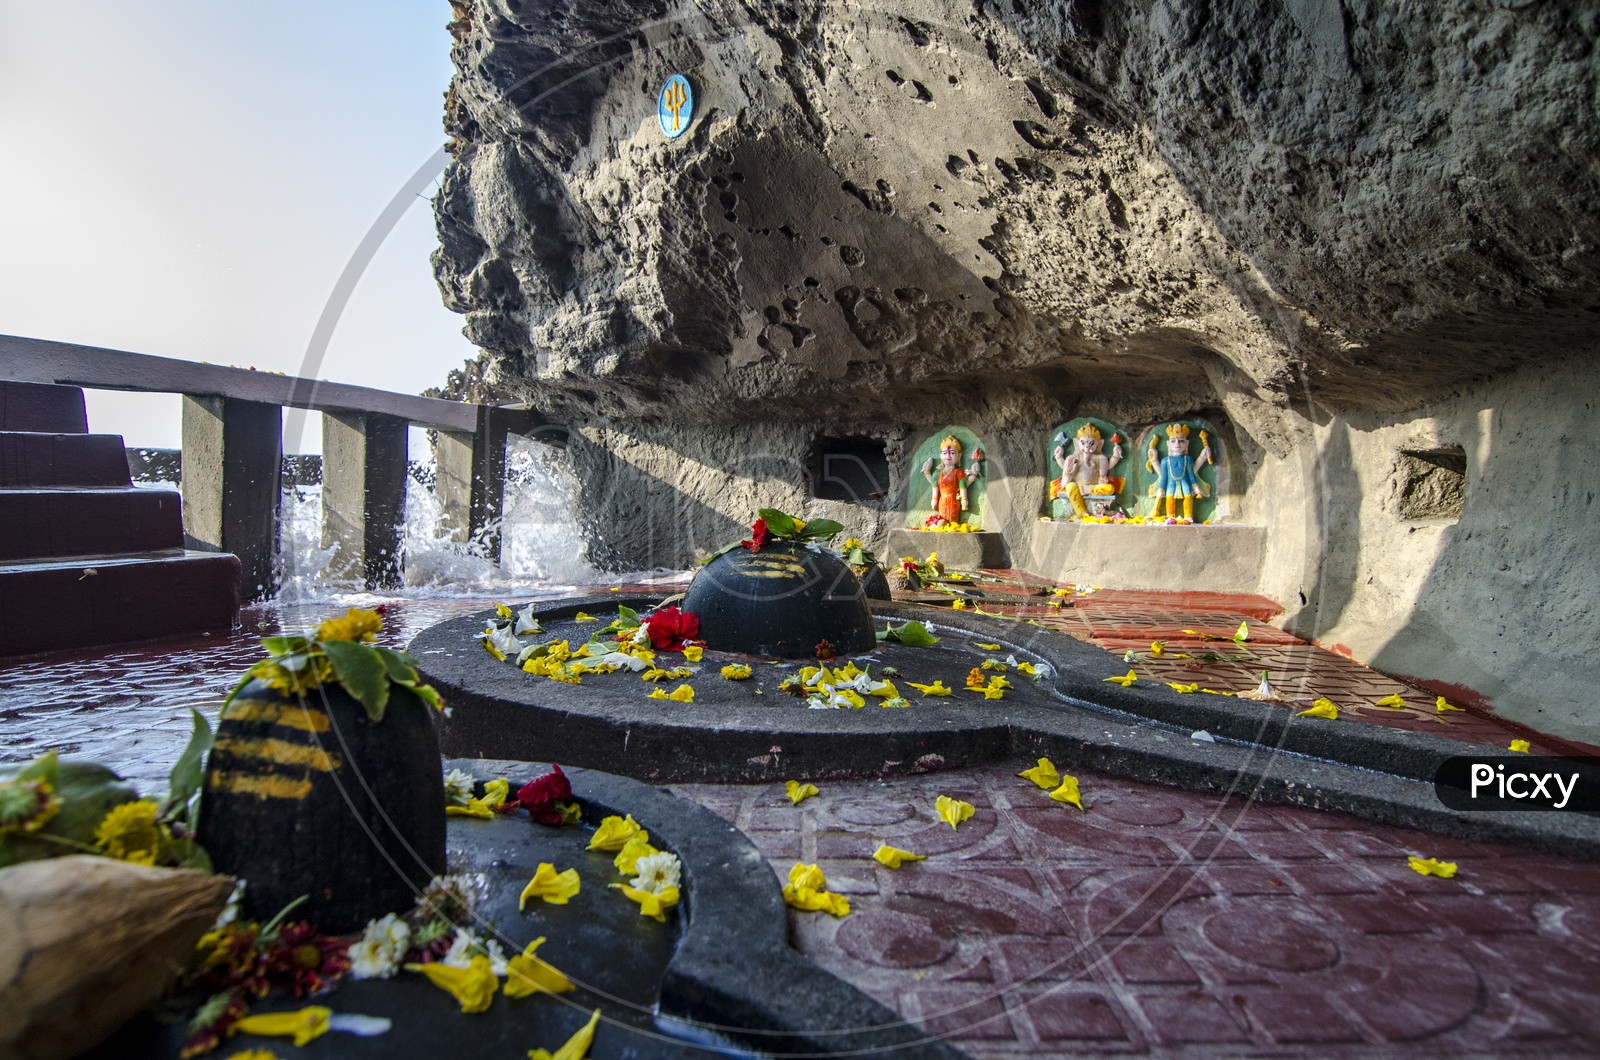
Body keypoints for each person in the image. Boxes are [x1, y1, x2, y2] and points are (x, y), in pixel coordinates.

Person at [1052, 424, 1123, 519]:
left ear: (1099, 444)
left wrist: (1116, 455)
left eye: (1091, 443)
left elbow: (1108, 466)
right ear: (1076, 443)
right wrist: (1059, 456)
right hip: (1078, 486)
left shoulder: (1100, 458)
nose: (1087, 446)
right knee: (1070, 486)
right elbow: (1065, 467)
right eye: (1083, 443)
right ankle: (1081, 512)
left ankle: (1086, 491)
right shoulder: (1073, 458)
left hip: (1092, 487)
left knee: (1109, 488)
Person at [1147, 424, 1212, 523]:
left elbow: (1191, 474)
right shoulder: (1166, 461)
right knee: (1170, 497)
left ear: (1186, 444)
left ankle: (1188, 515)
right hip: (1170, 483)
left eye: (1181, 441)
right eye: (1173, 441)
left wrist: (1195, 486)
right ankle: (1170, 516)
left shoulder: (1188, 459)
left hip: (1185, 482)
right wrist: (1161, 489)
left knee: (1188, 496)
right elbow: (1164, 477)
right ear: (1168, 444)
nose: (1177, 444)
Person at [922, 435, 983, 526]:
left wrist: (974, 473)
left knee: (952, 521)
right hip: (942, 501)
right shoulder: (937, 473)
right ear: (941, 456)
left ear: (959, 456)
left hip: (954, 501)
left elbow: (964, 486)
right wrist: (927, 472)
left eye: (952, 453)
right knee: (942, 520)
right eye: (945, 453)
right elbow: (934, 485)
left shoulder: (959, 473)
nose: (948, 456)